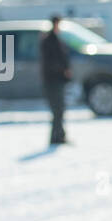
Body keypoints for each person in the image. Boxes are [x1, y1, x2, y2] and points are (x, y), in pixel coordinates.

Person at [41, 15, 71, 144]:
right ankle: (56, 137)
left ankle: (59, 135)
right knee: (57, 109)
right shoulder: (49, 41)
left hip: (56, 79)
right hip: (53, 80)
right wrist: (63, 70)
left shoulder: (54, 39)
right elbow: (50, 62)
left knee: (60, 109)